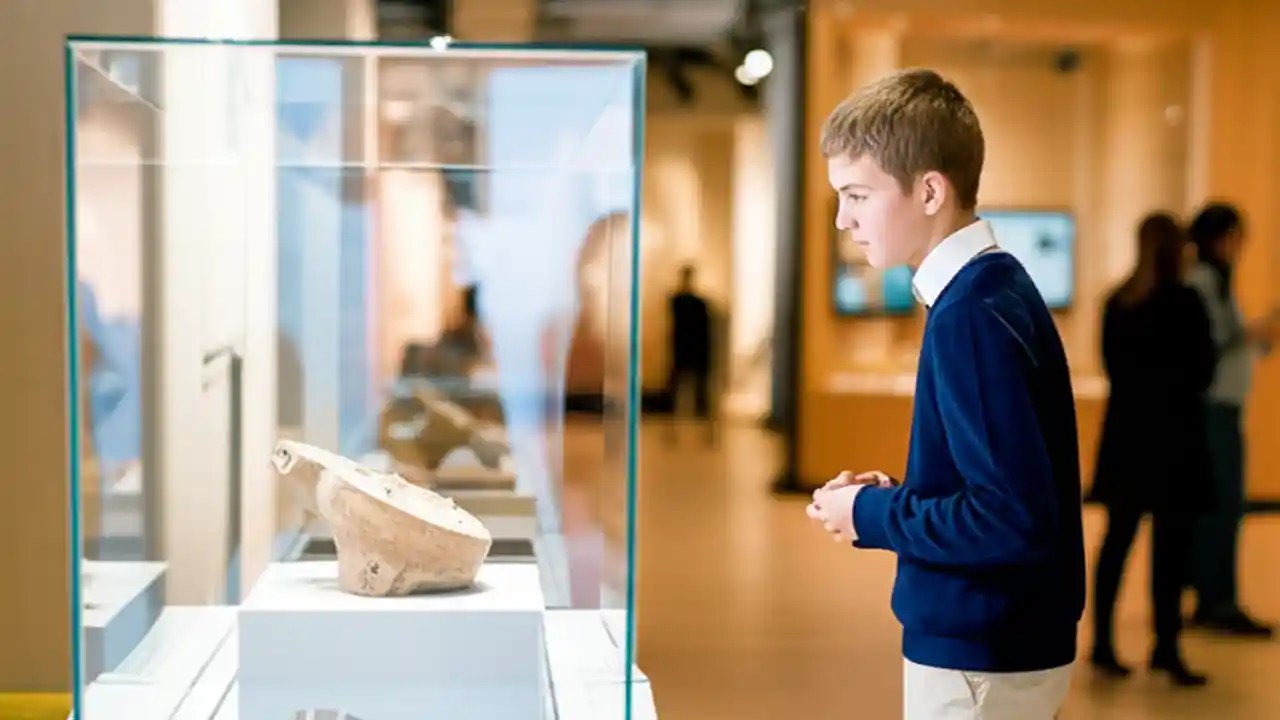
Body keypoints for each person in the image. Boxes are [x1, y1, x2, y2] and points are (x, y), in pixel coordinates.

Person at [804, 68, 1084, 719]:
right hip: (999, 643)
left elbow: (1007, 519)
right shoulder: (994, 289)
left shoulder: (969, 316)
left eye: (857, 195)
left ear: (929, 191)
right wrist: (891, 496)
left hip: (979, 655)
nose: (843, 219)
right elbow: (1003, 486)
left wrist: (870, 516)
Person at [1088, 213, 1216, 686]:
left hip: (1128, 439)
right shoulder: (1186, 302)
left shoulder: (1118, 303)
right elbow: (1204, 371)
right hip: (1177, 442)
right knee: (1171, 550)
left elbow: (1114, 369)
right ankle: (1166, 646)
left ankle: (1102, 643)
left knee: (1117, 542)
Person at [1184, 202, 1277, 637]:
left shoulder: (1218, 283)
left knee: (1224, 506)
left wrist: (1260, 338)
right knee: (1221, 507)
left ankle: (1215, 595)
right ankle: (1216, 600)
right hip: (1213, 410)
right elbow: (1215, 345)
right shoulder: (1203, 283)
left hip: (1226, 407)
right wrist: (1255, 333)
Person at [666, 265, 713, 424]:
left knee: (693, 379)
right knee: (680, 377)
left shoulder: (690, 302)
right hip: (684, 344)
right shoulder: (681, 301)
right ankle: (690, 408)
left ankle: (700, 408)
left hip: (691, 345)